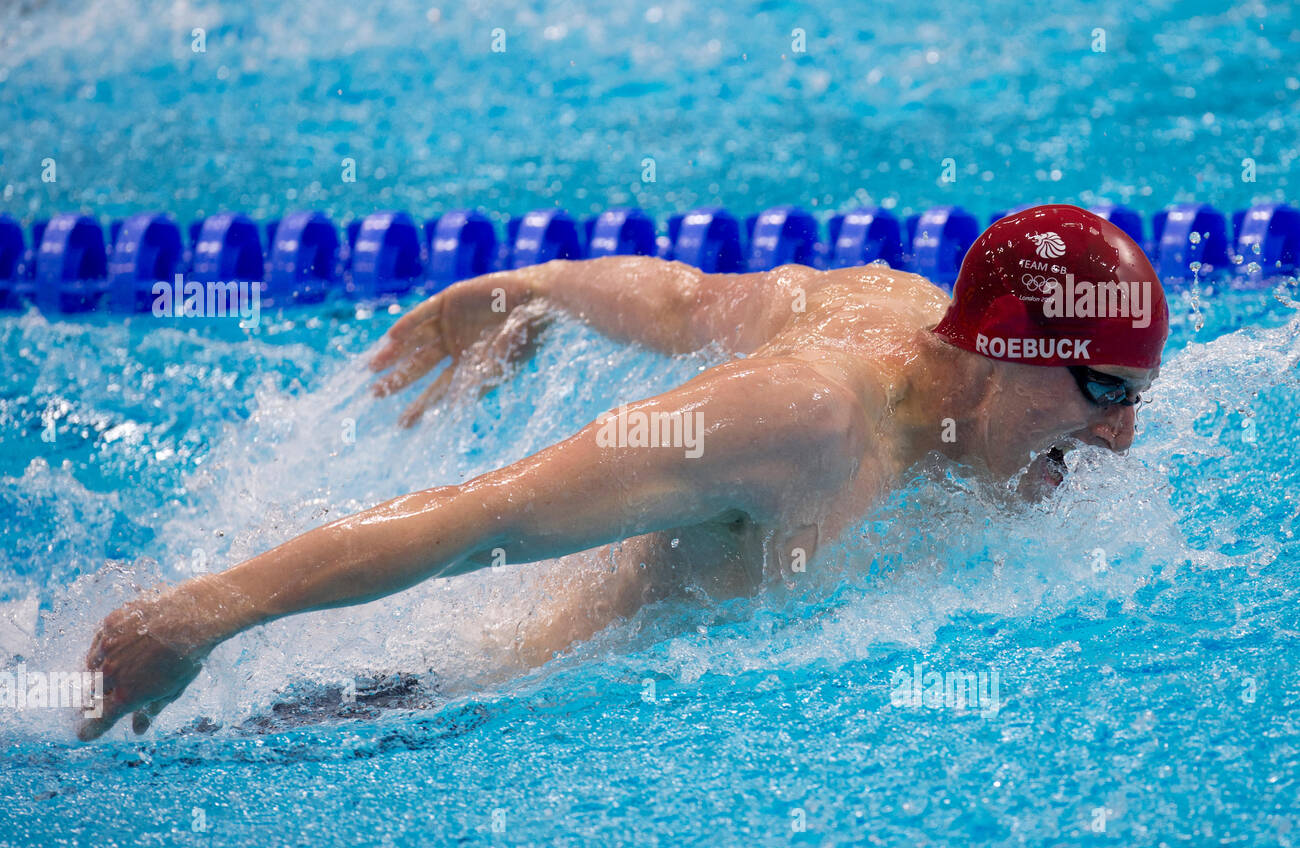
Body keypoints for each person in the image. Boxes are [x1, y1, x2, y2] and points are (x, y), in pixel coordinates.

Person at [76, 204, 1169, 740]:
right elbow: (477, 516)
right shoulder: (803, 423)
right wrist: (202, 612)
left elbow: (690, 300)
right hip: (447, 703)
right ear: (999, 356)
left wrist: (535, 287)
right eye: (1104, 395)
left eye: (1135, 397)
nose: (1120, 439)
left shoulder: (899, 305)